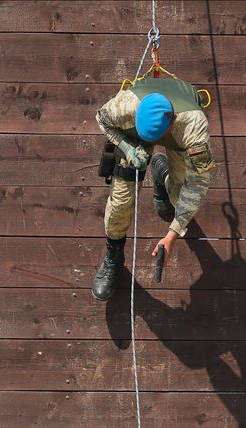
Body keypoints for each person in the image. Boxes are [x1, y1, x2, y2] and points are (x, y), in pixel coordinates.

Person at [91, 74, 216, 300]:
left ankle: (162, 176)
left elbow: (198, 184)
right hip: (134, 136)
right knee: (120, 202)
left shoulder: (195, 127)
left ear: (174, 119)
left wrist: (172, 235)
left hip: (178, 139)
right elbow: (102, 118)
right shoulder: (126, 105)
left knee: (181, 199)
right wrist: (128, 148)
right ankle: (113, 256)